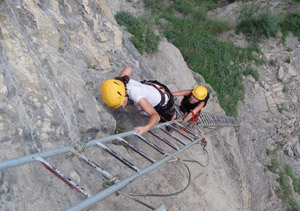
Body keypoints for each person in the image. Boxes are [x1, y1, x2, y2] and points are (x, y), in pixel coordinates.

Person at [100, 66, 176, 135]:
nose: (123, 105)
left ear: (124, 93)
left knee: (166, 117)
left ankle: (174, 119)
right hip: (154, 86)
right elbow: (128, 68)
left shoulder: (135, 95)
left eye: (122, 102)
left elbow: (155, 116)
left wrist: (146, 128)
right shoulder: (120, 83)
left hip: (164, 101)